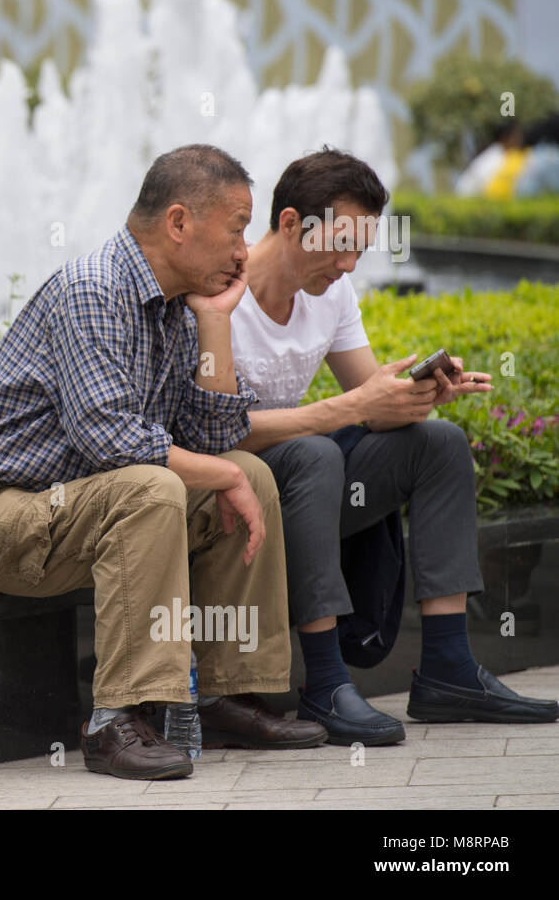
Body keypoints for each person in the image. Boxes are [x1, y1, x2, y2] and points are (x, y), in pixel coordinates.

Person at [0, 144, 326, 782]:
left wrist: (216, 324)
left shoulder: (176, 308)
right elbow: (108, 439)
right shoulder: (93, 288)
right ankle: (114, 720)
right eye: (238, 228)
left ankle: (221, 696)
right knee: (154, 487)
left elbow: (216, 437)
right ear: (180, 223)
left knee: (252, 475)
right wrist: (219, 473)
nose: (247, 250)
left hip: (64, 512)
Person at [231, 147, 559, 745]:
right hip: (240, 493)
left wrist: (415, 396)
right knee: (317, 452)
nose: (350, 264)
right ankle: (326, 682)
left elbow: (365, 400)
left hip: (314, 487)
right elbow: (217, 431)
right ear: (288, 224)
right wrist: (349, 410)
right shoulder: (221, 298)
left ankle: (448, 670)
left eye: (361, 247)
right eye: (340, 245)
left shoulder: (329, 293)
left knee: (437, 442)